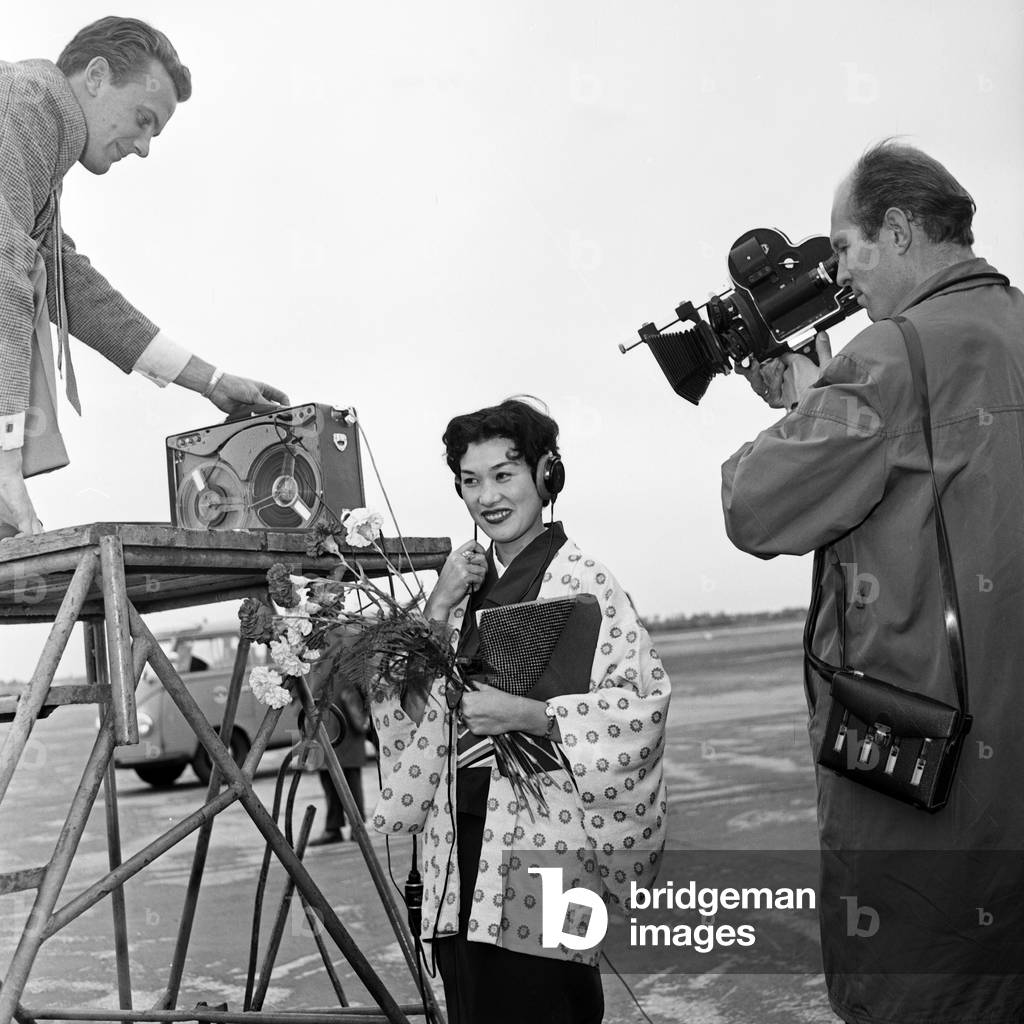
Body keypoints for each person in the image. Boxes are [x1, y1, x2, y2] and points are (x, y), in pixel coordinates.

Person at [721, 141, 1024, 1023]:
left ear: (896, 232)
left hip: (930, 766)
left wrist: (806, 400)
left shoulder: (891, 356)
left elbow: (757, 506)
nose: (842, 280)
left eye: (844, 250)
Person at [369, 399, 670, 1024]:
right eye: (470, 481)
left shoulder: (587, 582)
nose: (487, 496)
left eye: (504, 474)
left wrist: (532, 715)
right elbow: (404, 703)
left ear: (546, 474)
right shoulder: (460, 589)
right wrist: (439, 602)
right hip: (459, 843)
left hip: (551, 841)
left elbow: (642, 708)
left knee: (549, 1002)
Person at [0, 17, 289, 538]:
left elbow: (72, 288)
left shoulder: (40, 134)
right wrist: (2, 462)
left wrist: (212, 382)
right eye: (143, 119)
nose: (144, 146)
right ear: (96, 75)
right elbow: (3, 275)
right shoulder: (24, 106)